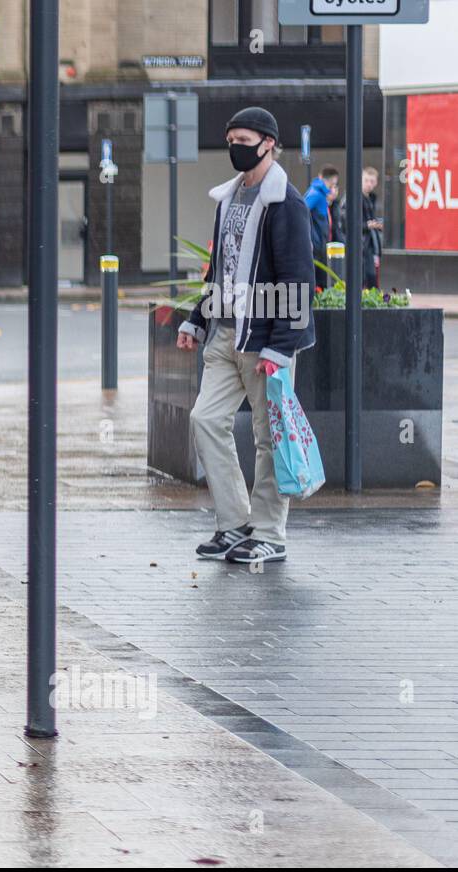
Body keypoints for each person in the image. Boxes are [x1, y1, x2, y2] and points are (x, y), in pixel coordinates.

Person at [177, 107, 317, 566]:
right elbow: (222, 268)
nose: (234, 144)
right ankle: (235, 523)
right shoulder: (229, 199)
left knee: (268, 438)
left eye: (244, 138)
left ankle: (270, 534)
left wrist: (280, 348)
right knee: (205, 419)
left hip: (265, 342)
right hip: (225, 335)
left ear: (268, 144)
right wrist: (197, 319)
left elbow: (297, 280)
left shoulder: (287, 204)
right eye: (230, 136)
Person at [337, 166, 383, 289]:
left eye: (372, 181)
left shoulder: (370, 198)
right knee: (361, 280)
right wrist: (367, 225)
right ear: (361, 180)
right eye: (366, 180)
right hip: (357, 247)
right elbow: (346, 224)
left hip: (368, 247)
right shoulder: (352, 197)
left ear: (376, 182)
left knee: (371, 280)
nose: (369, 184)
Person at [304, 164, 339, 282]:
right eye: (332, 184)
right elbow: (302, 211)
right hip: (316, 245)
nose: (333, 188)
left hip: (318, 244)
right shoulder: (317, 194)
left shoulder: (318, 192)